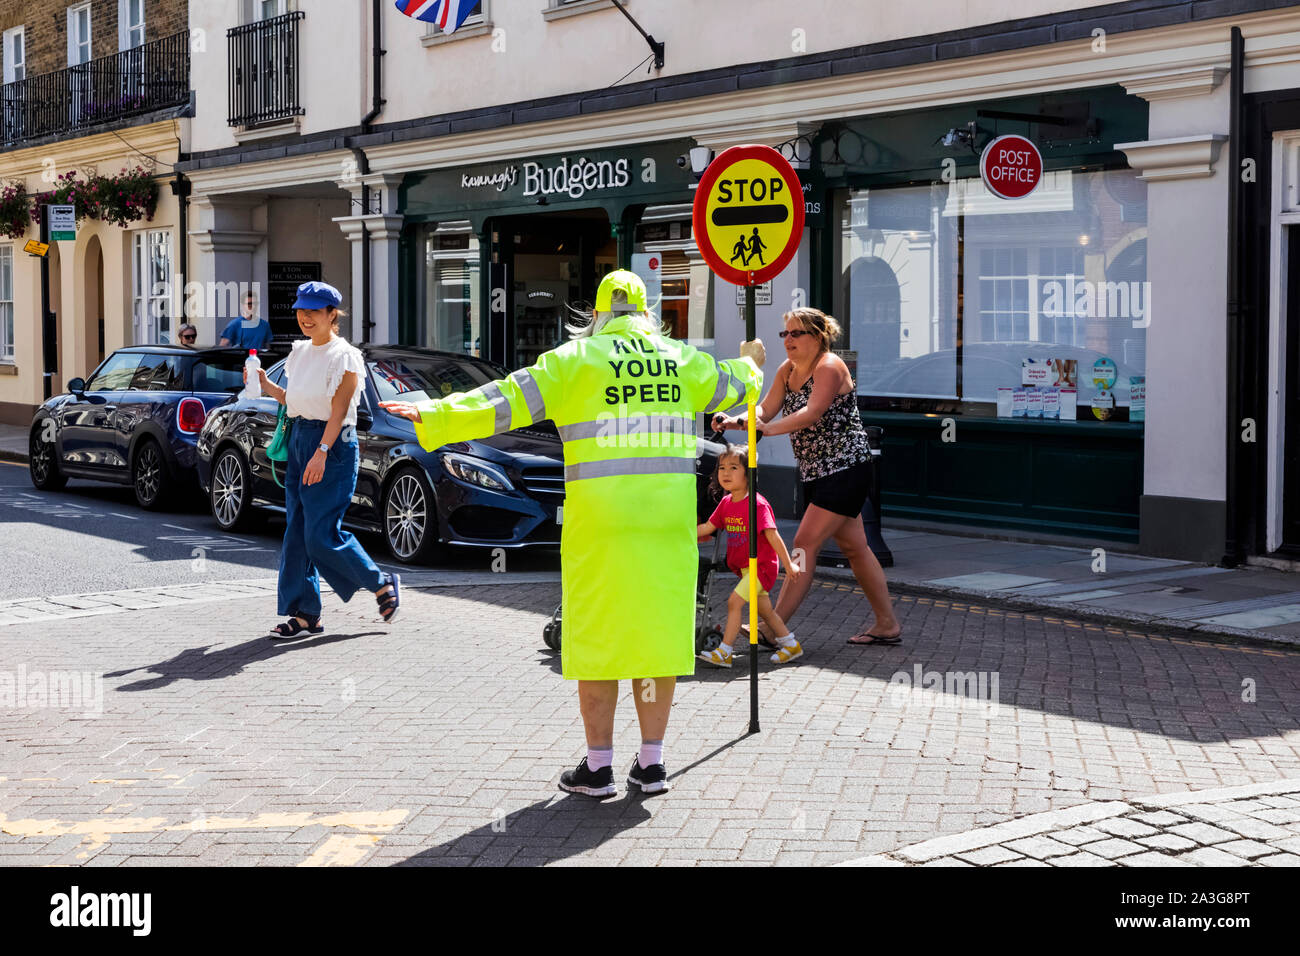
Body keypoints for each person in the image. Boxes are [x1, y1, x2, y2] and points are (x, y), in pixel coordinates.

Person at [381, 270, 763, 798]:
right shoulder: (684, 363)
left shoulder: (572, 361)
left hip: (601, 529)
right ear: (648, 314)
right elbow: (736, 380)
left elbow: (504, 401)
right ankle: (652, 766)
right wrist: (753, 360)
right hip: (668, 528)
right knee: (654, 642)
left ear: (598, 315)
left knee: (598, 641)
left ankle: (598, 768)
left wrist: (434, 415)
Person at [714, 307, 901, 646]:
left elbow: (810, 413)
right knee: (856, 549)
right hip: (817, 472)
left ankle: (772, 626)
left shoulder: (830, 367)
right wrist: (737, 420)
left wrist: (767, 431)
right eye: (785, 334)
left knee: (804, 542)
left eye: (796, 333)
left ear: (817, 337)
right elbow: (766, 408)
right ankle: (887, 624)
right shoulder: (787, 370)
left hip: (846, 469)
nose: (788, 340)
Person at [245, 280, 399, 639]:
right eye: (301, 310)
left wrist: (322, 453)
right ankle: (304, 614)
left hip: (333, 446)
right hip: (301, 439)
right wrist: (267, 387)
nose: (305, 317)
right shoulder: (299, 352)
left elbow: (338, 410)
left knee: (320, 534)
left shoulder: (345, 356)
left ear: (333, 315)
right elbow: (296, 400)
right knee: (296, 532)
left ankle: (380, 583)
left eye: (313, 311)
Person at [696, 444, 802, 667]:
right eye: (722, 467)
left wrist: (789, 565)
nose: (725, 473)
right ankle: (791, 646)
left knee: (734, 602)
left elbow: (773, 536)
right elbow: (707, 527)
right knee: (767, 612)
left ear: (749, 472)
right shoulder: (726, 503)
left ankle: (725, 651)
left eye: (733, 467)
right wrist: (680, 533)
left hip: (760, 567)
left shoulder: (757, 504)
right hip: (745, 568)